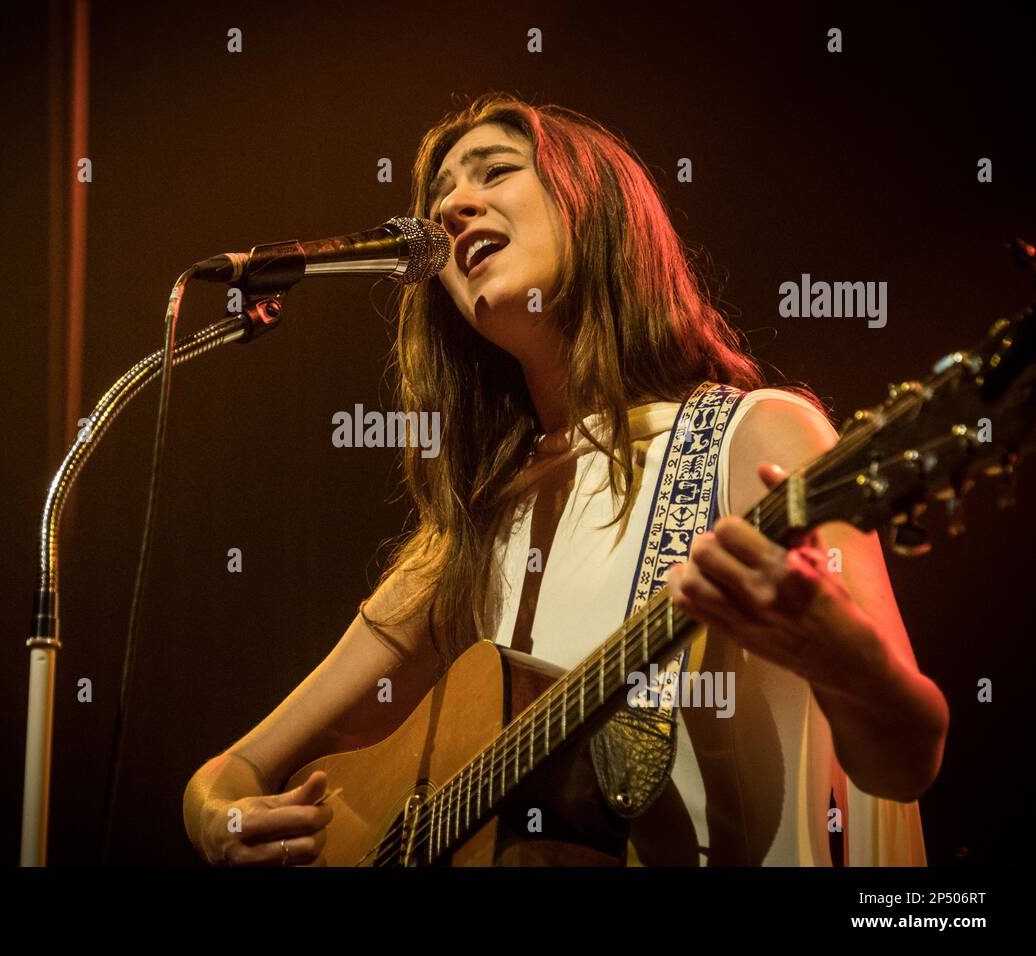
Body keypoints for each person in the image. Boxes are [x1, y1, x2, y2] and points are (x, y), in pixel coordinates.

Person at [181, 93, 949, 867]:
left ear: (596, 207)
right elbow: (230, 773)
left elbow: (907, 760)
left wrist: (841, 659)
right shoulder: (467, 535)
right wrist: (218, 817)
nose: (451, 207)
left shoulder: (752, 436)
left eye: (494, 171)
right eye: (440, 196)